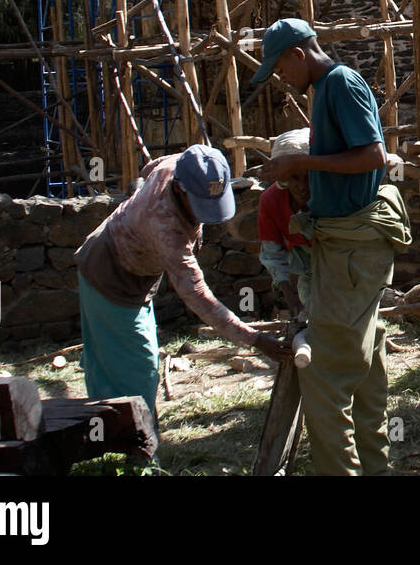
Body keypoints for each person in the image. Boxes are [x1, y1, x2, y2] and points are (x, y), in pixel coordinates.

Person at [252, 18, 412, 476]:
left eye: (280, 69)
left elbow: (374, 156)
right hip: (342, 247)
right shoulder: (323, 90)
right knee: (362, 360)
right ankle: (375, 468)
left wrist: (301, 161)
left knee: (322, 371)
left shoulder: (340, 82)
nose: (281, 79)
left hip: (350, 250)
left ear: (297, 54)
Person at [75, 144, 288, 426]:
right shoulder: (165, 228)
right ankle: (138, 449)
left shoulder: (181, 164)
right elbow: (197, 295)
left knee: (115, 356)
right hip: (110, 276)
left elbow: (149, 168)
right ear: (179, 189)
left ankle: (116, 429)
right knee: (141, 366)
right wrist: (255, 339)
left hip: (128, 267)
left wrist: (140, 192)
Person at [257, 127, 312, 316]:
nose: (302, 187)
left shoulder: (331, 196)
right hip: (307, 264)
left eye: (308, 177)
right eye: (294, 177)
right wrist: (291, 298)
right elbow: (272, 253)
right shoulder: (270, 200)